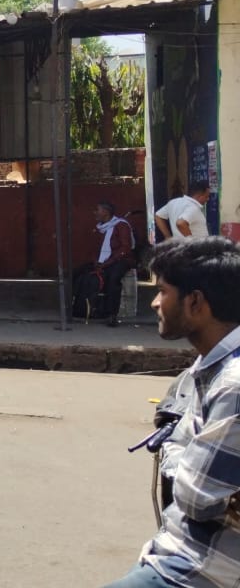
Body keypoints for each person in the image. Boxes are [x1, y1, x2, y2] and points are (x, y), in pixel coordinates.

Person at [102, 237, 240, 588]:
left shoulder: (233, 384)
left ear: (195, 302)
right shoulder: (204, 368)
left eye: (162, 291)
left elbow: (197, 499)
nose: (154, 302)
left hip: (202, 569)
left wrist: (177, 452)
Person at [77, 201, 136, 327]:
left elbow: (125, 248)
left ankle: (112, 315)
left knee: (113, 278)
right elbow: (95, 249)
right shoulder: (100, 228)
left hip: (120, 260)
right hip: (104, 261)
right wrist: (96, 262)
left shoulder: (121, 225)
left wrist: (107, 263)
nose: (95, 213)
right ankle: (82, 309)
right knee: (79, 273)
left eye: (97, 210)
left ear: (105, 212)